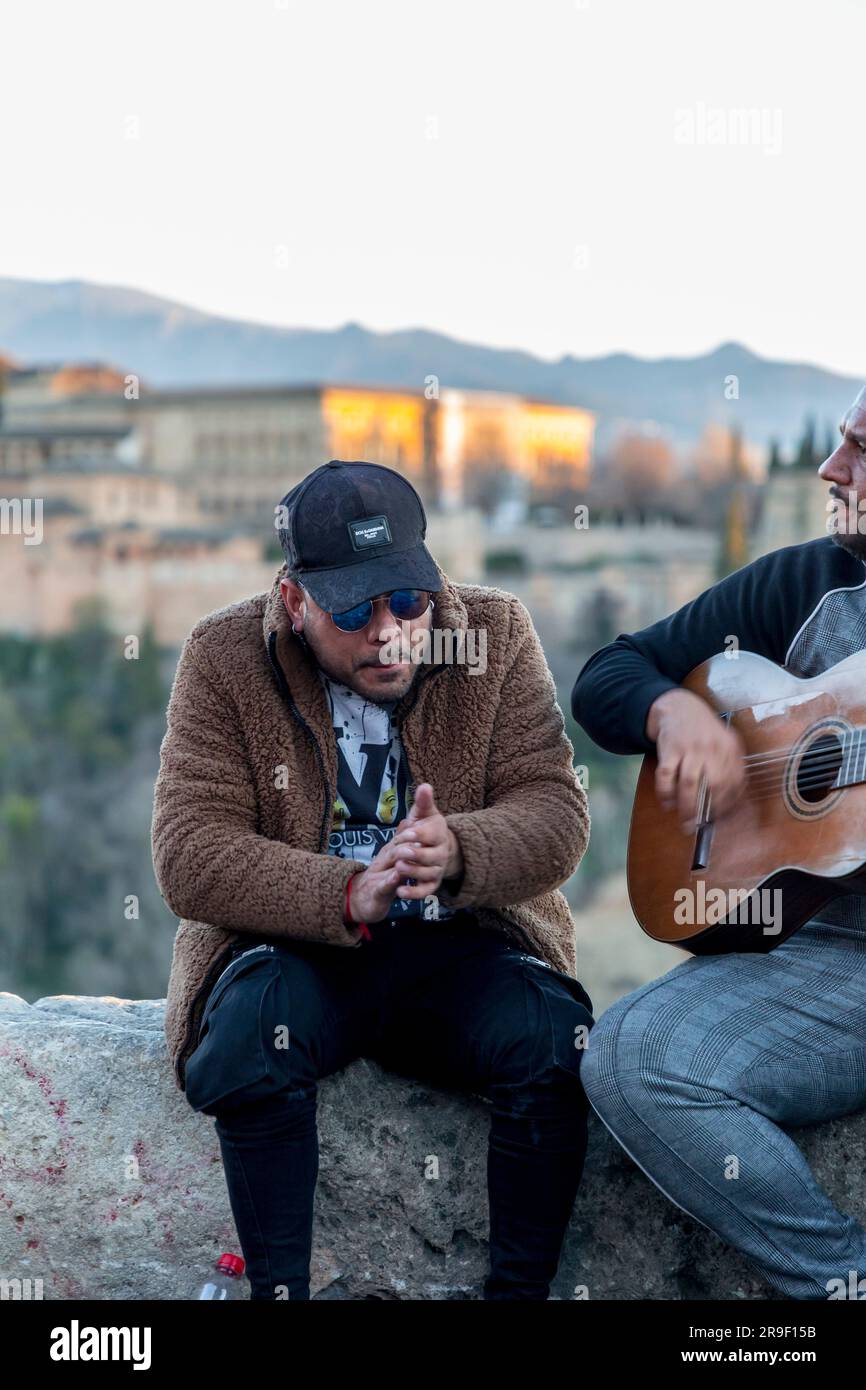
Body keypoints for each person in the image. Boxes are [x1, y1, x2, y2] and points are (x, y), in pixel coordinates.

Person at [153, 458, 593, 1300]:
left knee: (556, 1041)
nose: (388, 630)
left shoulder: (494, 635)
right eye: (353, 610)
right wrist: (344, 892)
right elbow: (188, 852)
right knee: (249, 1037)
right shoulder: (223, 654)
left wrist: (458, 849)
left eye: (408, 601)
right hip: (301, 951)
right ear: (294, 602)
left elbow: (555, 812)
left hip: (461, 948)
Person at [571, 387, 866, 1300]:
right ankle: (842, 1278)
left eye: (862, 449)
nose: (831, 468)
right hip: (813, 954)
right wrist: (671, 713)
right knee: (629, 1058)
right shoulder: (804, 583)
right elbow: (607, 676)